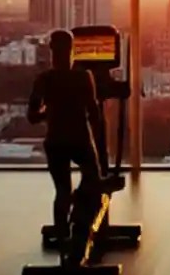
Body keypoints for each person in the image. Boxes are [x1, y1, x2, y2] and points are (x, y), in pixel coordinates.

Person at [28, 29, 109, 243]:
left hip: (55, 141)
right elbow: (94, 114)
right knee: (94, 181)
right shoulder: (83, 77)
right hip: (80, 139)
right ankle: (80, 219)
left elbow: (32, 116)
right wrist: (98, 141)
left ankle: (63, 238)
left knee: (62, 191)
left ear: (51, 51)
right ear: (72, 50)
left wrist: (50, 112)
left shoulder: (43, 79)